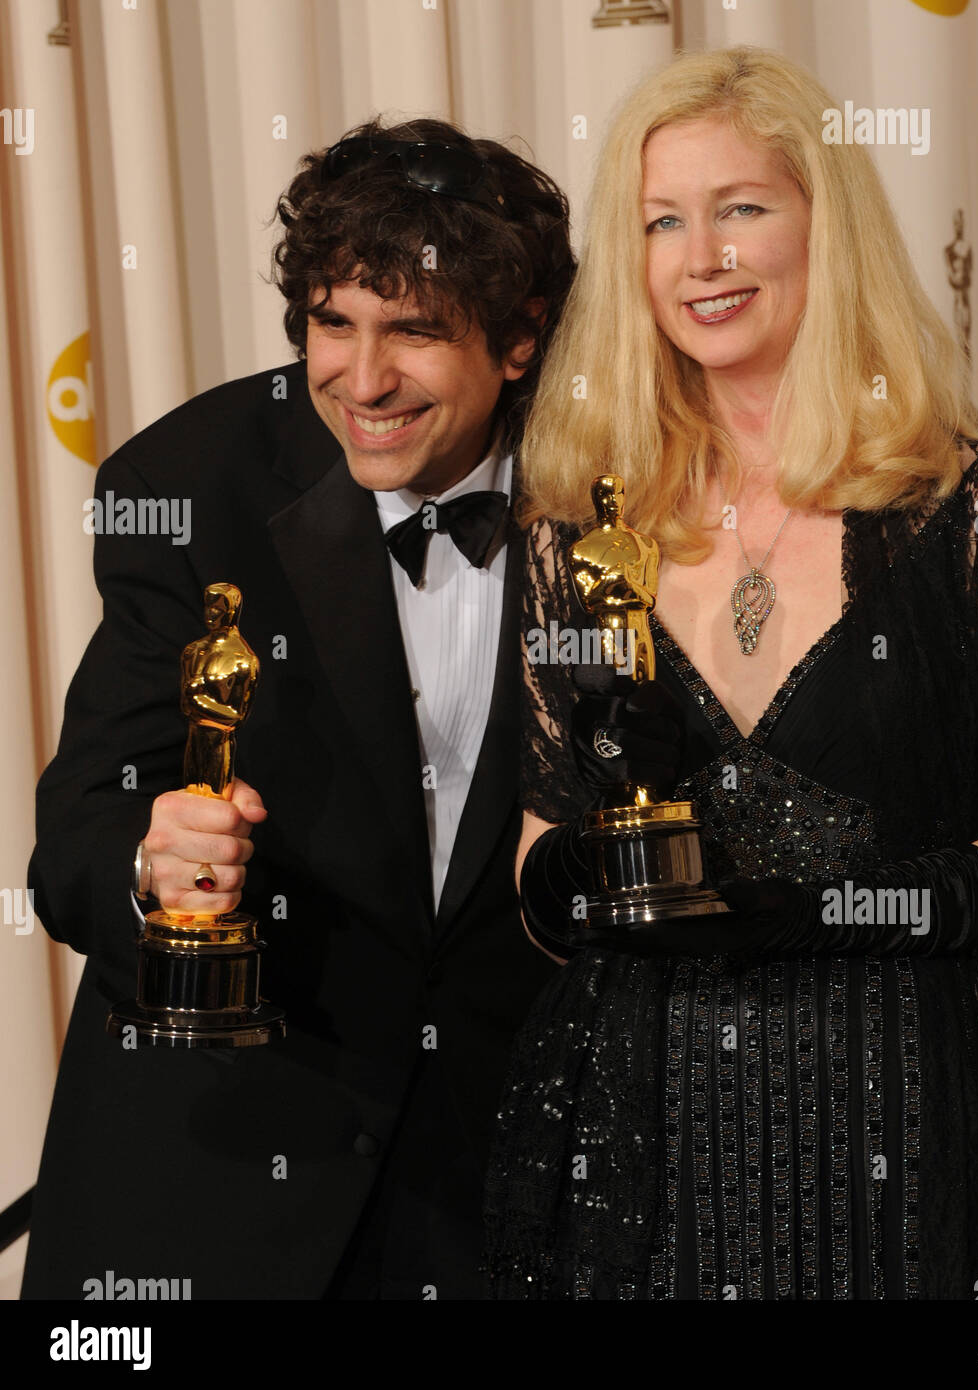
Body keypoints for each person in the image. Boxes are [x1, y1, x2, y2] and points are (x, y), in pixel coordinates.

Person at [482, 47, 978, 1300]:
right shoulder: (579, 524)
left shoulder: (977, 512)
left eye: (740, 209)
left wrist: (833, 913)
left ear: (821, 226)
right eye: (661, 222)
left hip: (901, 1117)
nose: (699, 257)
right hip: (640, 1141)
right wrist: (594, 856)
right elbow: (535, 864)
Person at [21, 116, 574, 1300]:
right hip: (207, 1209)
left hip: (502, 1209)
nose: (362, 380)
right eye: (334, 323)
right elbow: (72, 842)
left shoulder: (621, 488)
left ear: (520, 338)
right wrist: (150, 864)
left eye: (413, 332)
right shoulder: (187, 482)